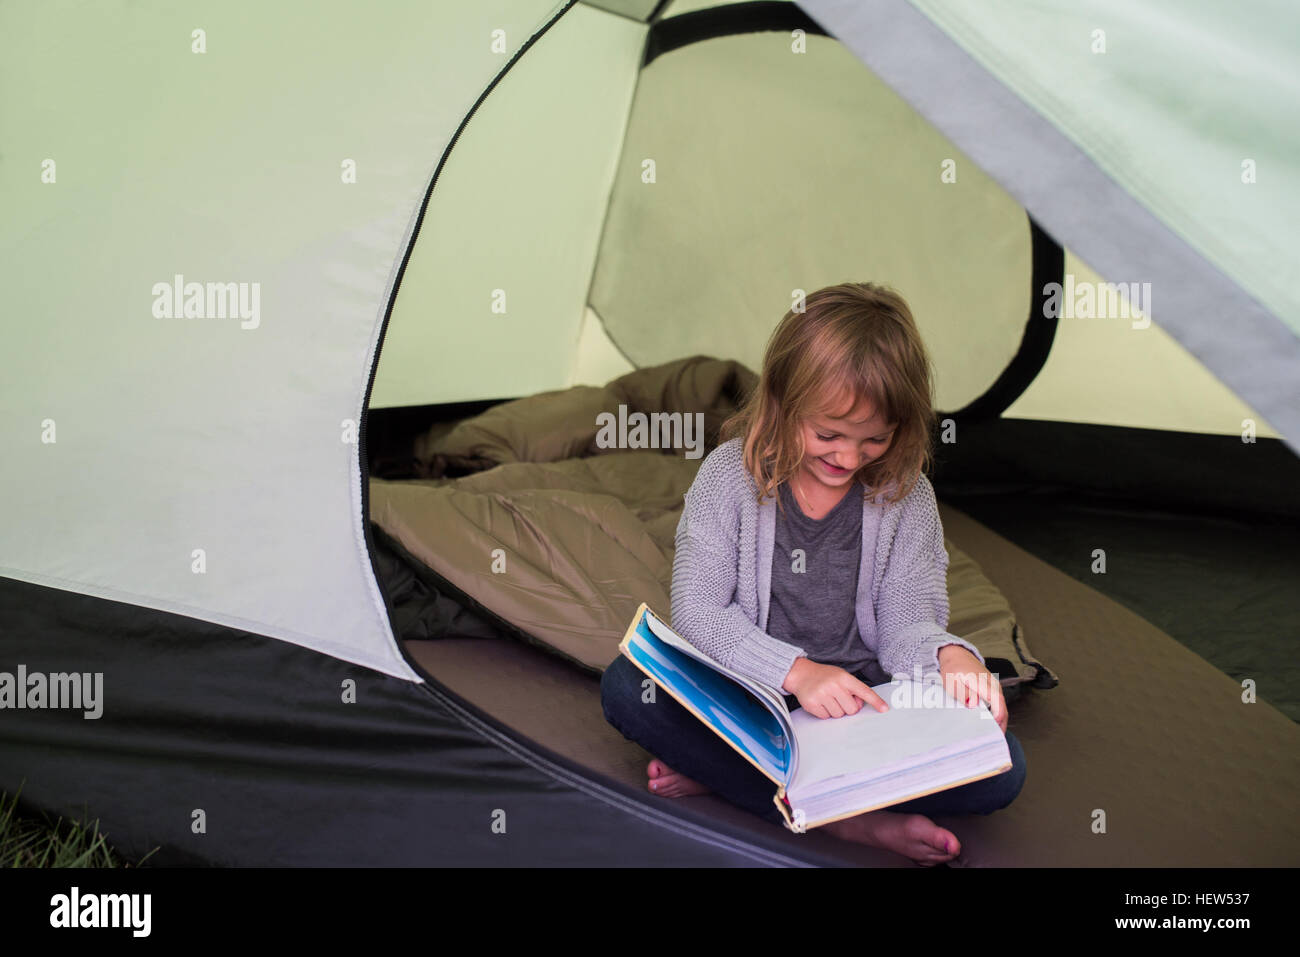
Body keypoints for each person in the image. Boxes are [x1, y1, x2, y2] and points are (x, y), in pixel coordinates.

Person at [601, 281, 1027, 865]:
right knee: (630, 688)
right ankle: (853, 823)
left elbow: (909, 627)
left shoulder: (908, 498)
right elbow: (698, 614)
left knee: (1002, 767)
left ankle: (741, 783)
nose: (848, 459)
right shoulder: (729, 479)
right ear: (781, 403)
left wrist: (949, 659)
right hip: (754, 705)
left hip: (863, 708)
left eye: (874, 439)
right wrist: (796, 673)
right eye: (828, 435)